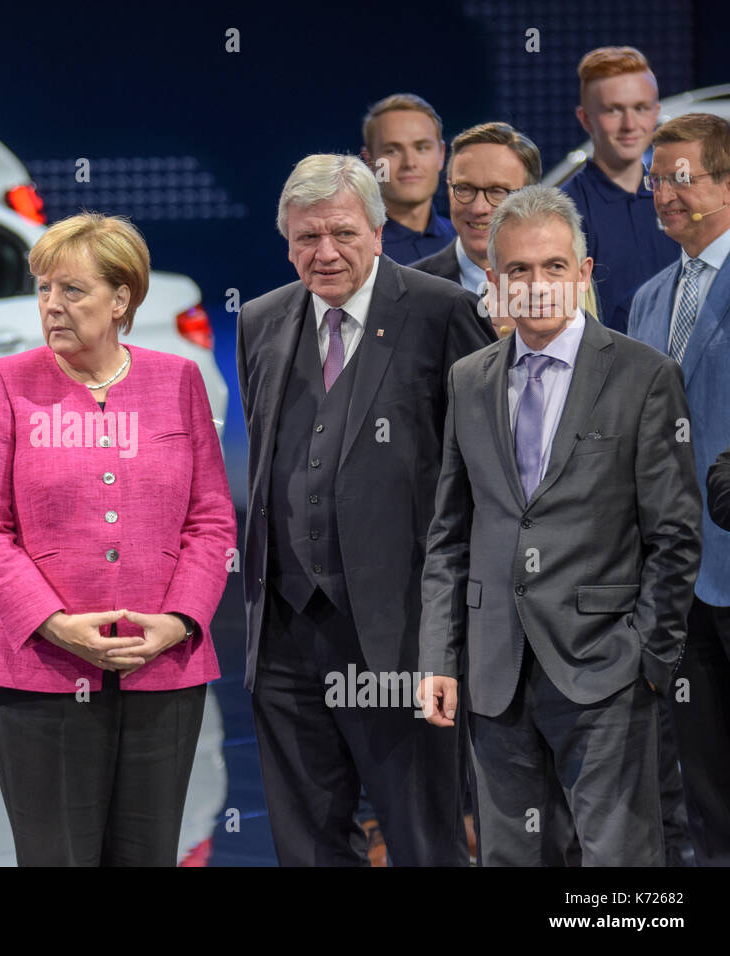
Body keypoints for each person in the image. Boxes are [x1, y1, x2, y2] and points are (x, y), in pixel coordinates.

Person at [419, 184, 702, 866]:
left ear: (583, 271)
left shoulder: (643, 376)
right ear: (494, 282)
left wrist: (647, 659)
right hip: (496, 670)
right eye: (518, 269)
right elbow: (450, 533)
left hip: (606, 670)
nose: (537, 284)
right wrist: (440, 654)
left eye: (553, 266)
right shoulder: (468, 379)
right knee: (512, 856)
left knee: (617, 865)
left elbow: (675, 535)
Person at [0, 213, 236, 867]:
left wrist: (178, 620)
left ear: (120, 299)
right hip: (40, 671)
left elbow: (211, 519)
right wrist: (54, 624)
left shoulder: (178, 382)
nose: (52, 305)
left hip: (162, 668)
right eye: (44, 289)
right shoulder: (7, 383)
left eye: (72, 290)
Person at [238, 154, 492, 866]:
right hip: (287, 636)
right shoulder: (260, 320)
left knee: (422, 839)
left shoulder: (442, 313)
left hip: (402, 635)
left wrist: (454, 634)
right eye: (306, 238)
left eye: (343, 233)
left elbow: (477, 478)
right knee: (309, 843)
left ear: (379, 232)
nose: (324, 253)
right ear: (286, 241)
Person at [629, 112, 730, 865]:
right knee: (705, 781)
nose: (663, 193)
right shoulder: (646, 297)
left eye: (681, 177)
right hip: (674, 579)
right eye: (655, 179)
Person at [562, 46, 678, 333]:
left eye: (640, 108)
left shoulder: (683, 201)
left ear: (656, 113)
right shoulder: (563, 212)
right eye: (614, 110)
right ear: (585, 119)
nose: (630, 125)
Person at [413, 121, 540, 338]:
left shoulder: (563, 285)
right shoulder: (410, 291)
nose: (479, 208)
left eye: (497, 191)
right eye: (464, 189)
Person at [361, 93, 456, 264]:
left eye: (421, 148)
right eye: (392, 150)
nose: (410, 163)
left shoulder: (465, 242)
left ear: (441, 155)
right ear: (370, 162)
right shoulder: (353, 249)